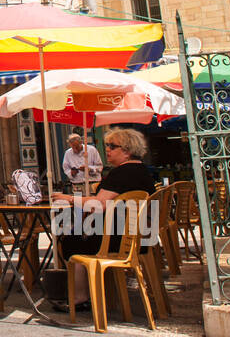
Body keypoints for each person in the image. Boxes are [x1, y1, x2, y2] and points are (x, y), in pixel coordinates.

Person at [49, 127, 157, 311]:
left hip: (119, 241)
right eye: (107, 145)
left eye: (112, 146)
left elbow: (98, 204)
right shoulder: (142, 171)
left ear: (126, 151)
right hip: (141, 237)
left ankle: (80, 297)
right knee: (80, 233)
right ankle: (103, 290)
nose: (107, 149)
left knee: (69, 241)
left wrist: (68, 199)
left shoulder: (121, 173)